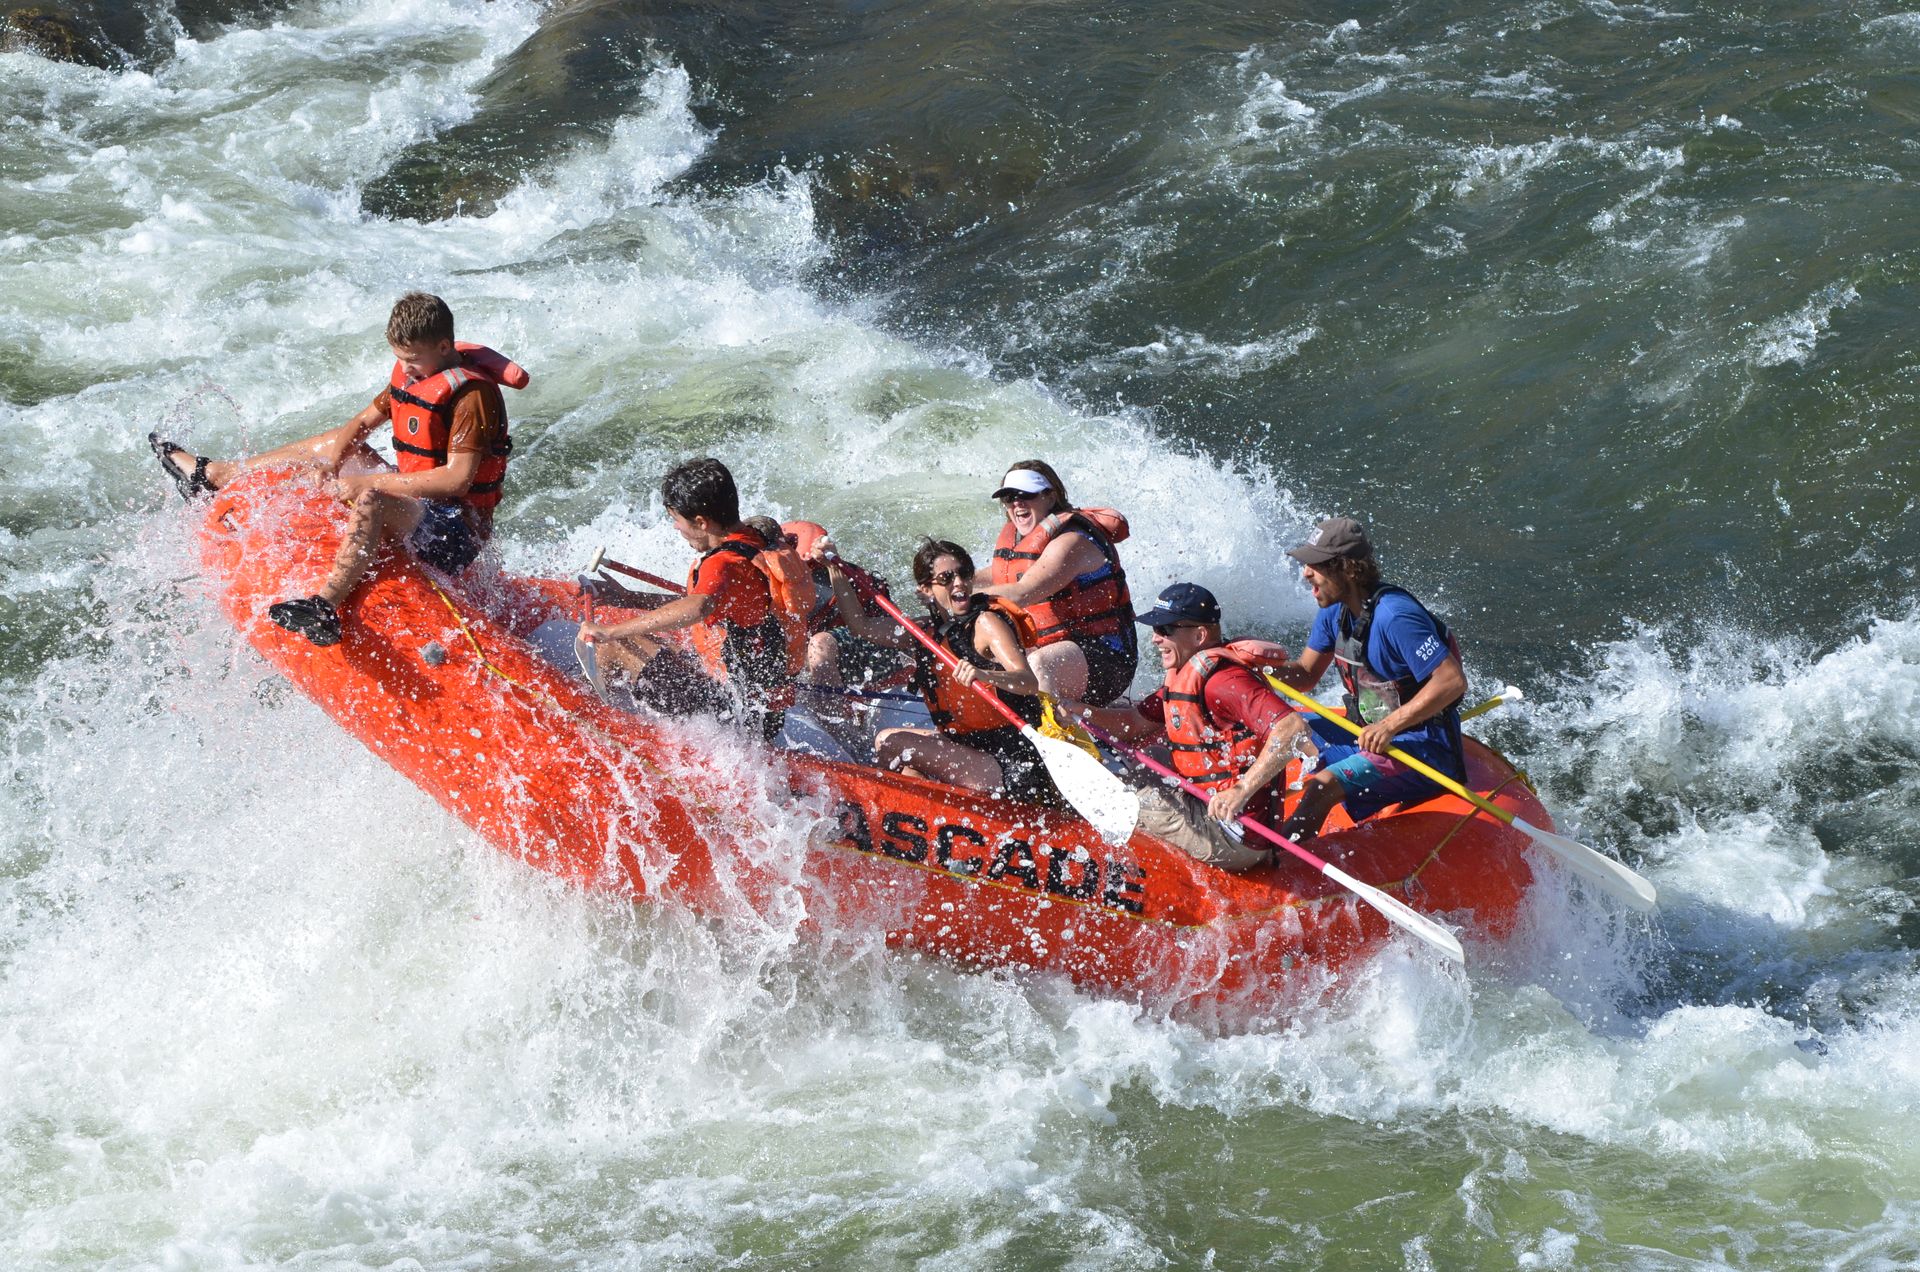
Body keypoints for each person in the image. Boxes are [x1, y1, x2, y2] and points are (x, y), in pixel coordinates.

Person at [149, 292, 526, 647]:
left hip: (455, 531)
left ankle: (324, 607)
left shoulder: (471, 398)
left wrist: (366, 482)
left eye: (412, 359)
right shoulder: (418, 372)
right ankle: (217, 475)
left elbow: (456, 480)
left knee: (373, 499)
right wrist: (331, 464)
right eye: (399, 358)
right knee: (338, 446)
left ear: (444, 348)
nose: (405, 369)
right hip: (421, 502)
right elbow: (361, 423)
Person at [1064, 583, 1295, 873]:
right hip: (1212, 811)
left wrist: (1240, 791)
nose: (1155, 640)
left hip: (1233, 834)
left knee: (1115, 799)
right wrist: (1080, 712)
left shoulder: (1223, 682)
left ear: (1199, 635)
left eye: (1165, 630)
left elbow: (1293, 729)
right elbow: (1134, 723)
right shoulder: (1187, 675)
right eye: (1156, 630)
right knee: (1149, 756)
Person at [1263, 516, 1468, 839]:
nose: (1305, 573)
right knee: (1279, 727)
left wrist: (1389, 726)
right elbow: (1304, 675)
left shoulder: (1396, 616)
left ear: (1346, 569)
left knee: (1321, 787)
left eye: (1315, 565)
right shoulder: (1334, 610)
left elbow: (1451, 681)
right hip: (1365, 730)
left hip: (1423, 748)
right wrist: (1257, 669)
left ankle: (1279, 860)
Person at [577, 459, 796, 742]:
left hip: (734, 720)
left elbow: (699, 606)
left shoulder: (723, 562)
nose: (675, 528)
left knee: (618, 645)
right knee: (654, 642)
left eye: (677, 520)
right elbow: (706, 601)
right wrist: (630, 598)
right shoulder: (754, 540)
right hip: (759, 713)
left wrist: (609, 631)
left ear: (701, 523)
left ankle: (578, 722)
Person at [825, 539, 1055, 804]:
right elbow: (860, 626)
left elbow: (1027, 681)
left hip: (1012, 761)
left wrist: (985, 675)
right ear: (926, 589)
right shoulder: (924, 634)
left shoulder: (986, 623)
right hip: (971, 749)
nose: (959, 583)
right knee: (903, 762)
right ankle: (919, 823)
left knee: (892, 743)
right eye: (946, 578)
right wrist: (834, 567)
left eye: (963, 574)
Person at [974, 460, 1138, 706]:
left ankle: (1053, 736)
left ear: (1051, 497)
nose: (1016, 503)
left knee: (1041, 663)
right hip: (1056, 653)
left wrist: (960, 597)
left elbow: (1023, 592)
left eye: (1024, 494)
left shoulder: (1073, 542)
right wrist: (946, 583)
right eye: (1008, 497)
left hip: (1107, 661)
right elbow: (996, 575)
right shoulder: (1023, 543)